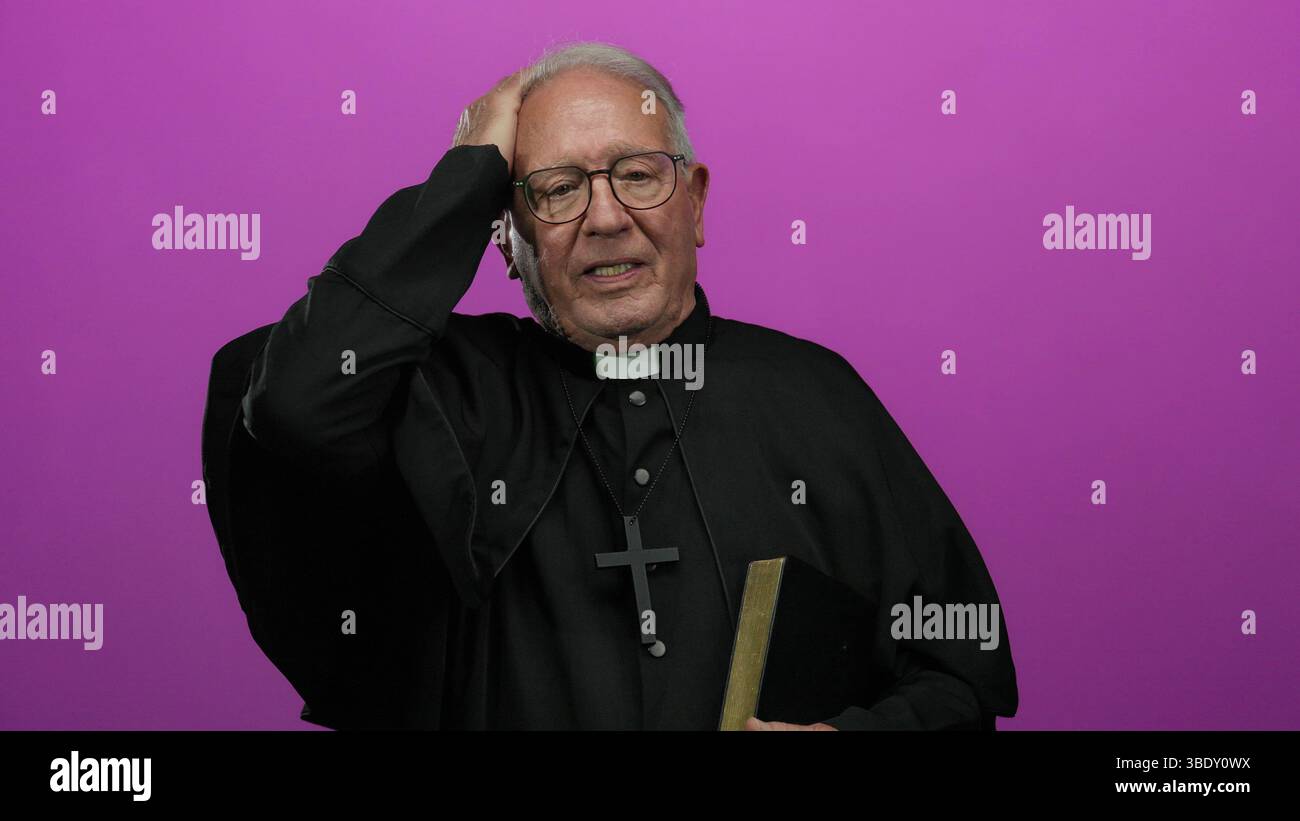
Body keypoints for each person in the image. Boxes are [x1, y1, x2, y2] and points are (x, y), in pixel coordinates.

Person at [201, 41, 1018, 730]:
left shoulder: (816, 394)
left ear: (695, 205)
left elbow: (961, 672)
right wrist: (464, 174)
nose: (604, 217)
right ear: (506, 241)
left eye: (637, 173)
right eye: (556, 189)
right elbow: (295, 401)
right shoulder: (446, 392)